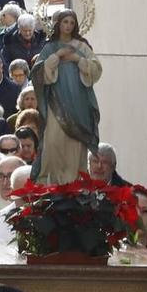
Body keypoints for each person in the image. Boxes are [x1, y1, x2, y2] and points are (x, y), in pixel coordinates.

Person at [31, 10, 101, 184]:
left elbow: (96, 69)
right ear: (58, 24)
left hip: (78, 102)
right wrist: (58, 56)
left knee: (76, 143)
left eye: (71, 22)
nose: (68, 26)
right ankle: (53, 181)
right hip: (56, 103)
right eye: (65, 22)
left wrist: (77, 59)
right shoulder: (49, 47)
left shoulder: (82, 46)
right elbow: (37, 73)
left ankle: (75, 181)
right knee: (53, 141)